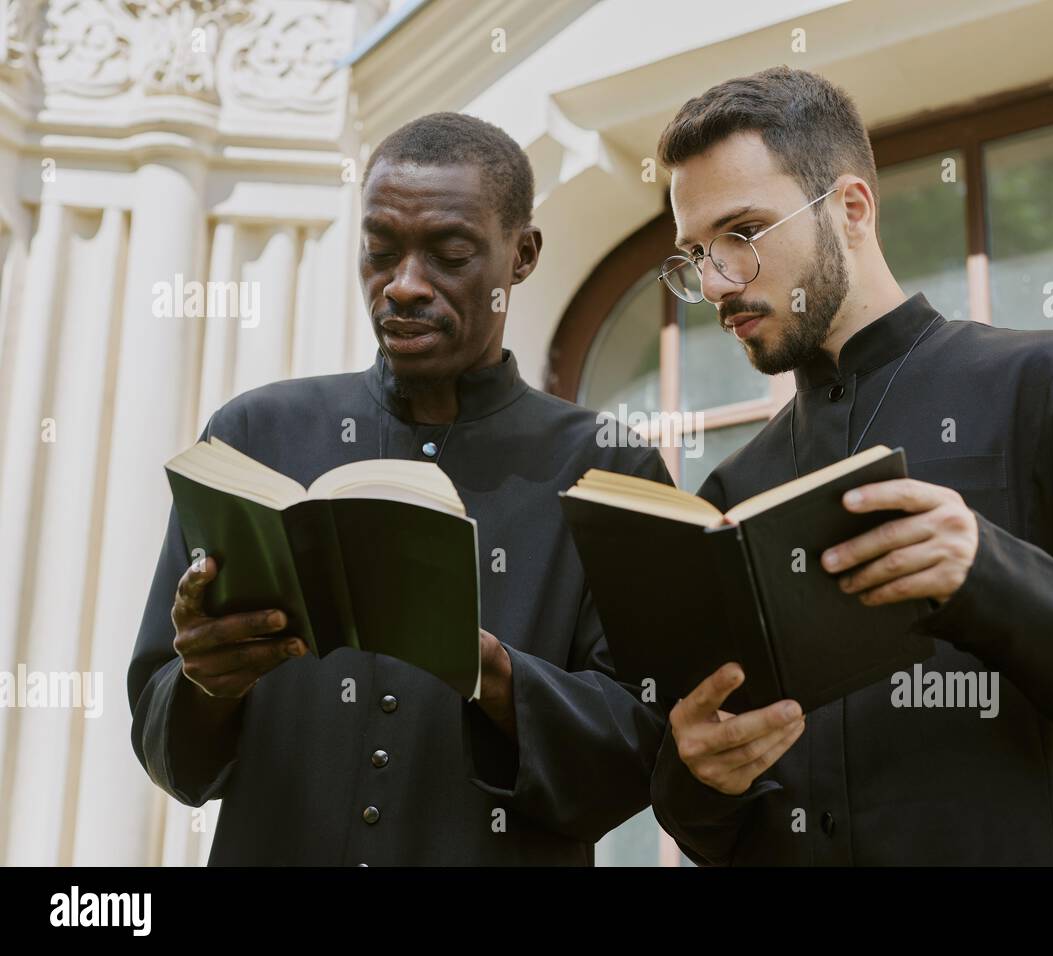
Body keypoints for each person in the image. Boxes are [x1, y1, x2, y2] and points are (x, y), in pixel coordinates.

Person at [648, 67, 1053, 865]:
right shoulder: (731, 490)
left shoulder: (1048, 380)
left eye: (744, 235)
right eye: (696, 253)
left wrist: (987, 571)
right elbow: (723, 821)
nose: (718, 282)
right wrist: (695, 778)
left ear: (852, 209)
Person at [128, 112, 669, 865]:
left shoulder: (610, 470)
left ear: (524, 254)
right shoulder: (255, 435)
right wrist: (206, 682)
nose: (405, 286)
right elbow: (164, 749)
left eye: (449, 254)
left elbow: (645, 750)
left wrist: (490, 673)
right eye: (379, 252)